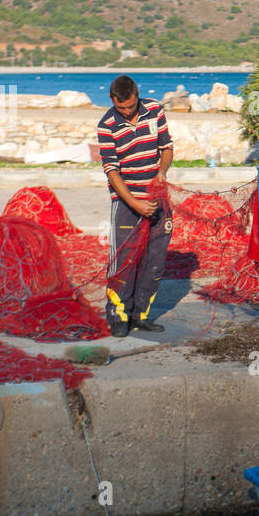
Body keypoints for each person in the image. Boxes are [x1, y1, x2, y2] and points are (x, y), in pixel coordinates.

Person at [97, 75, 173, 337]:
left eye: (131, 106)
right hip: (127, 202)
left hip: (158, 199)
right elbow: (112, 171)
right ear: (111, 100)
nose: (128, 113)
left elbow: (166, 148)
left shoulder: (154, 109)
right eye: (122, 109)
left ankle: (141, 314)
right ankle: (118, 315)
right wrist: (135, 203)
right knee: (124, 261)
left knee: (155, 260)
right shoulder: (106, 125)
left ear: (137, 94)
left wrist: (162, 172)